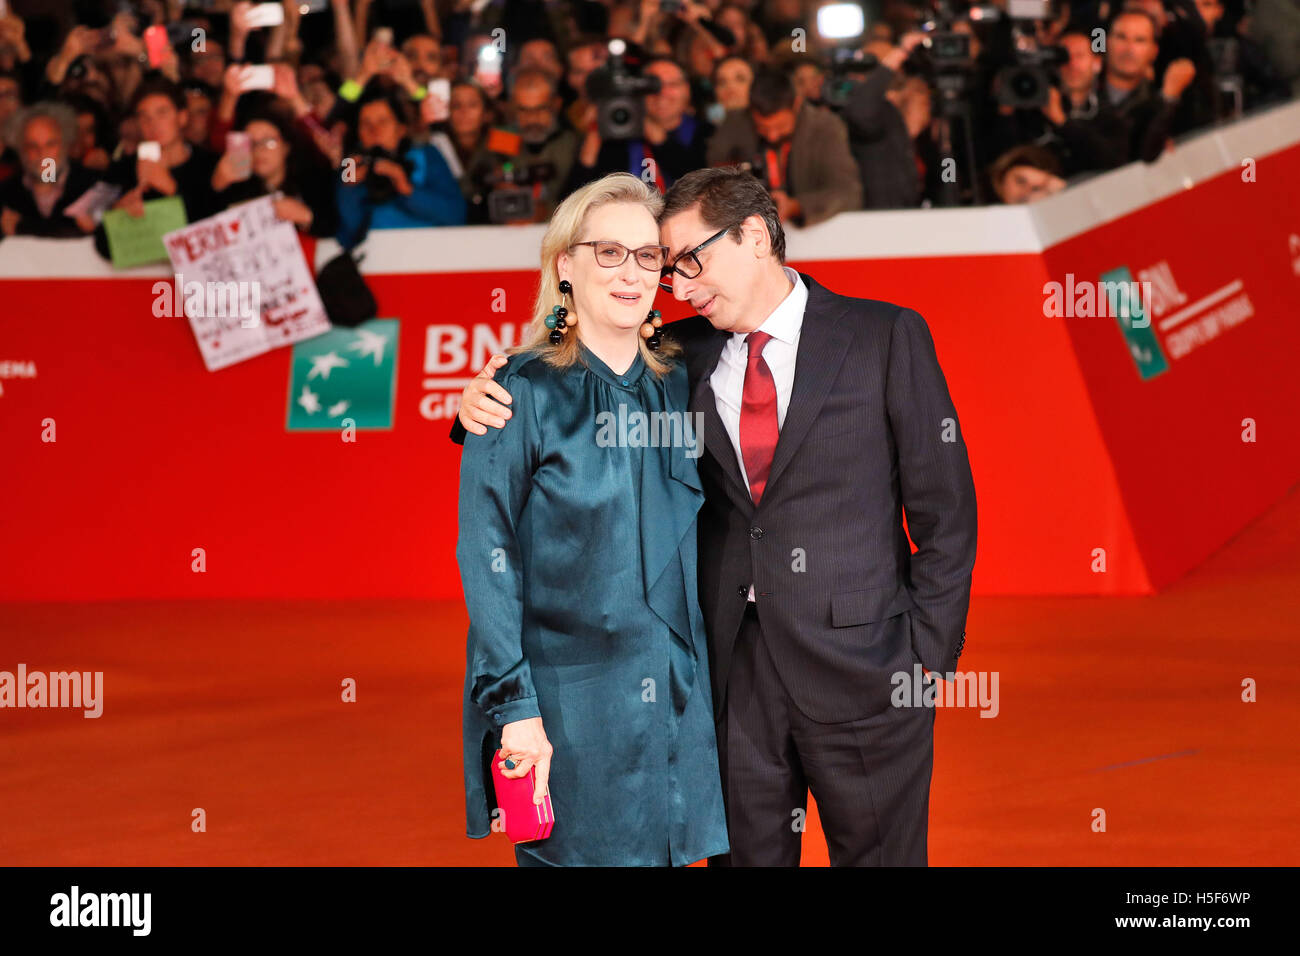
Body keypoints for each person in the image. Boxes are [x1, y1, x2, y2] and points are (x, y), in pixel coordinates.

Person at [454, 166, 977, 866]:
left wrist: (927, 659)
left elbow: (947, 511)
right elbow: (555, 388)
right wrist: (475, 410)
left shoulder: (880, 337)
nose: (678, 283)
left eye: (677, 260)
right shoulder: (680, 357)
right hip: (723, 682)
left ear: (755, 235)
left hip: (865, 671)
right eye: (665, 267)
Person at [457, 172, 729, 867]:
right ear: (565, 266)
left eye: (647, 257)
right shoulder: (519, 390)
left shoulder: (677, 381)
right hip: (568, 705)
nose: (631, 273)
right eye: (608, 253)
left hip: (674, 698)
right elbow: (486, 557)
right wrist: (514, 711)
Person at [707, 66, 861, 225]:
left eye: (781, 126)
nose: (772, 136)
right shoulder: (735, 123)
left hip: (816, 236)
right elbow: (712, 179)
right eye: (763, 128)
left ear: (796, 104)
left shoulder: (825, 126)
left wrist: (796, 206)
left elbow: (847, 193)